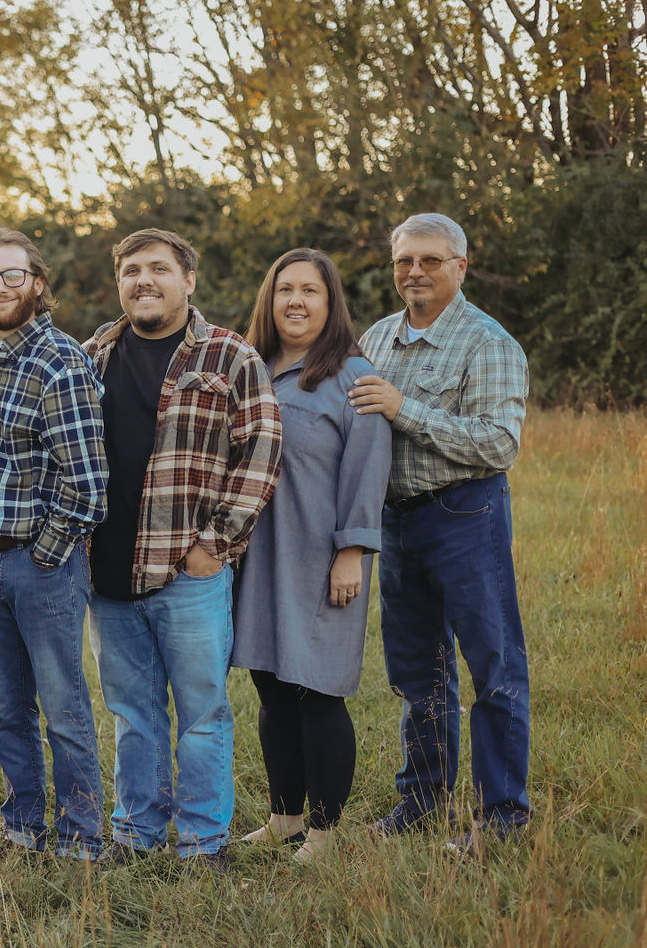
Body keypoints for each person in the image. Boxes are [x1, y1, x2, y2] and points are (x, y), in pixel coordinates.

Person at [85, 228, 282, 871]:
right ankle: (135, 833)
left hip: (188, 574)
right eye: (131, 270)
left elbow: (262, 451)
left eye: (159, 268)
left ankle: (202, 843)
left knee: (202, 713)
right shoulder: (92, 356)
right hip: (107, 576)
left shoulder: (229, 356)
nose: (144, 280)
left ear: (188, 280)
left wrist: (214, 546)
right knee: (131, 713)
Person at [349, 212, 531, 857]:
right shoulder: (377, 337)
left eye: (430, 259)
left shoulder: (488, 343)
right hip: (396, 520)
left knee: (494, 664)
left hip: (465, 515)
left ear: (460, 265)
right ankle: (422, 801)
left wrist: (405, 410)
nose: (415, 271)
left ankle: (502, 816)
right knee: (417, 668)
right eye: (405, 260)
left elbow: (500, 443)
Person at [232, 249, 391, 863]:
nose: (295, 301)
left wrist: (352, 550)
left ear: (331, 303)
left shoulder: (353, 377)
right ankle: (285, 817)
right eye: (285, 289)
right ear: (269, 300)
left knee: (317, 690)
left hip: (320, 557)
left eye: (310, 291)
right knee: (271, 687)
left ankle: (323, 833)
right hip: (255, 555)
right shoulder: (249, 367)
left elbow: (367, 470)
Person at [0, 227, 109, 860]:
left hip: (41, 564)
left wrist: (44, 554)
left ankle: (81, 838)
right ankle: (23, 827)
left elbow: (89, 485)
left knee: (64, 709)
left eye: (12, 275)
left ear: (37, 283)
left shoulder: (59, 361)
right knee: (6, 709)